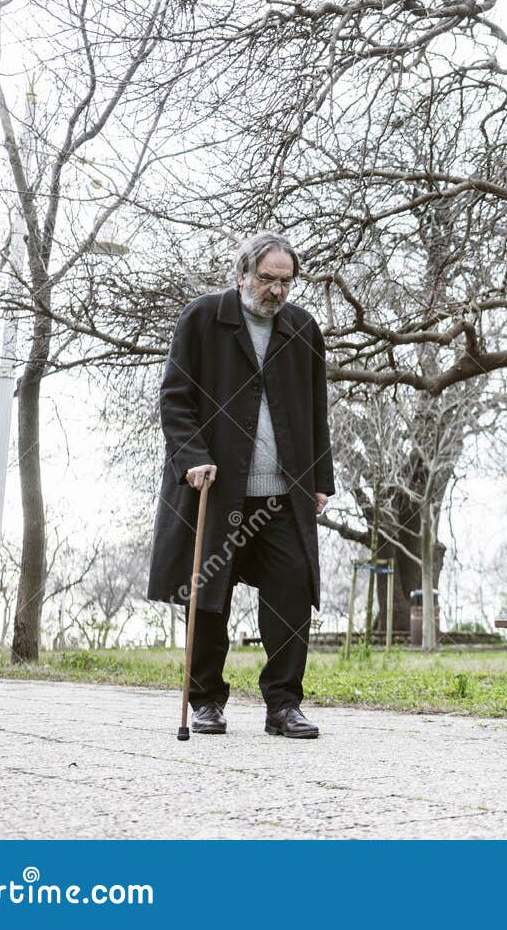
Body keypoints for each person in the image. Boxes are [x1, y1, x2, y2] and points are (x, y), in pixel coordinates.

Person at [146, 230, 335, 739]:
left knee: (293, 591)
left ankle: (284, 705)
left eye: (286, 282)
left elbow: (317, 407)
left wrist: (320, 479)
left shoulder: (302, 328)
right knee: (209, 595)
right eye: (267, 279)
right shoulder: (204, 317)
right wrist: (192, 457)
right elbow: (175, 398)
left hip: (282, 493)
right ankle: (206, 699)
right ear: (243, 275)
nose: (277, 291)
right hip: (217, 488)